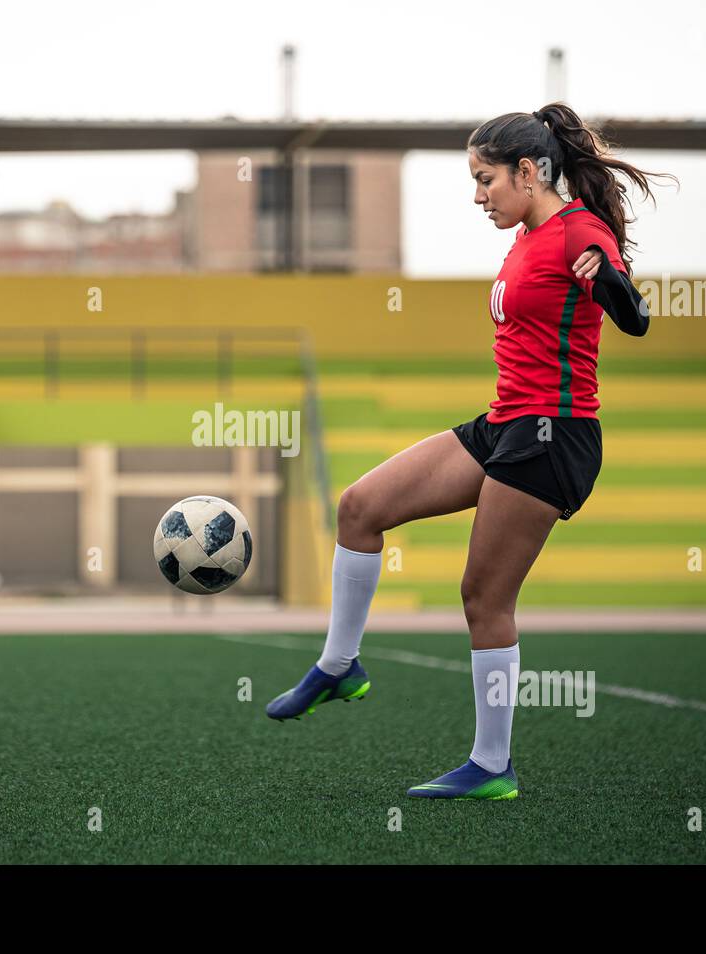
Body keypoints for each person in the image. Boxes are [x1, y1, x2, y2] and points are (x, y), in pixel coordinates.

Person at [265, 102, 675, 801]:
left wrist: (609, 284)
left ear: (527, 171)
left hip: (554, 435)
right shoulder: (523, 240)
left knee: (484, 597)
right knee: (359, 507)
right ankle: (340, 666)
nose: (477, 194)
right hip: (504, 425)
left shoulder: (581, 229)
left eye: (485, 179)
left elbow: (633, 317)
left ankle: (492, 766)